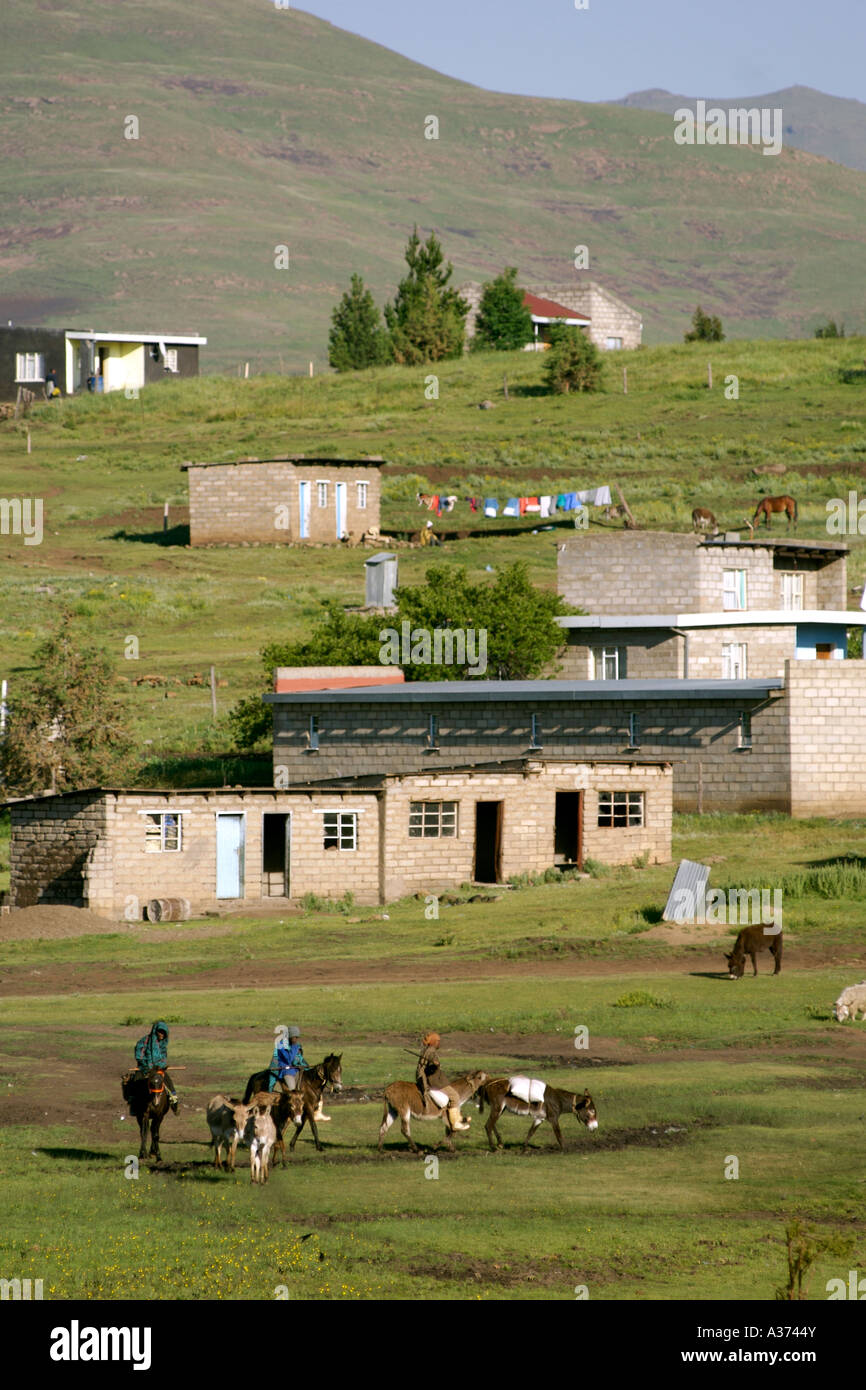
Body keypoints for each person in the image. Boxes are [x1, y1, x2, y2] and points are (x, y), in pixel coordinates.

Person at [416, 1031, 468, 1132]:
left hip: (433, 1079)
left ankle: (457, 1118)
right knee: (455, 1097)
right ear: (434, 1042)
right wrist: (435, 1064)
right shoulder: (431, 1052)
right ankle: (455, 1124)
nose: (439, 1043)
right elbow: (429, 1067)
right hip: (434, 1081)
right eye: (438, 1041)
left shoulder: (426, 1050)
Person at [123, 1020, 178, 1112]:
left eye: (164, 1033)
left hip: (157, 1069)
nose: (162, 1034)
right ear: (155, 1031)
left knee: (168, 1081)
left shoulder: (163, 1044)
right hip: (144, 1068)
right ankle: (133, 1103)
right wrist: (146, 1065)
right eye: (160, 1032)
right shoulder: (144, 1041)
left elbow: (164, 1057)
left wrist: (161, 1065)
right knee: (137, 1080)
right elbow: (139, 1055)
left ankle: (174, 1100)